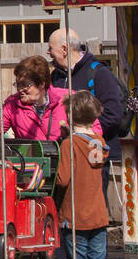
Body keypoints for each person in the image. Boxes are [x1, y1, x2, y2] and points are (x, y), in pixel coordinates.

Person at [56, 92, 120, 259]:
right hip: (98, 214)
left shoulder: (69, 144)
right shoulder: (99, 141)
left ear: (70, 116)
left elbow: (63, 179)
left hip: (75, 215)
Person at [48, 28, 124, 192]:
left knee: (91, 207)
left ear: (64, 49)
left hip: (93, 154)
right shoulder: (56, 77)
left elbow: (113, 114)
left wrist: (82, 134)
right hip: (66, 154)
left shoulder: (99, 73)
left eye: (50, 48)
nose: (48, 52)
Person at [0, 56, 101, 141]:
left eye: (25, 85)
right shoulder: (12, 105)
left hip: (66, 163)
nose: (20, 89)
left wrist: (73, 136)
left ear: (42, 84)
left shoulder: (68, 99)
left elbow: (94, 129)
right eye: (18, 84)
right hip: (32, 167)